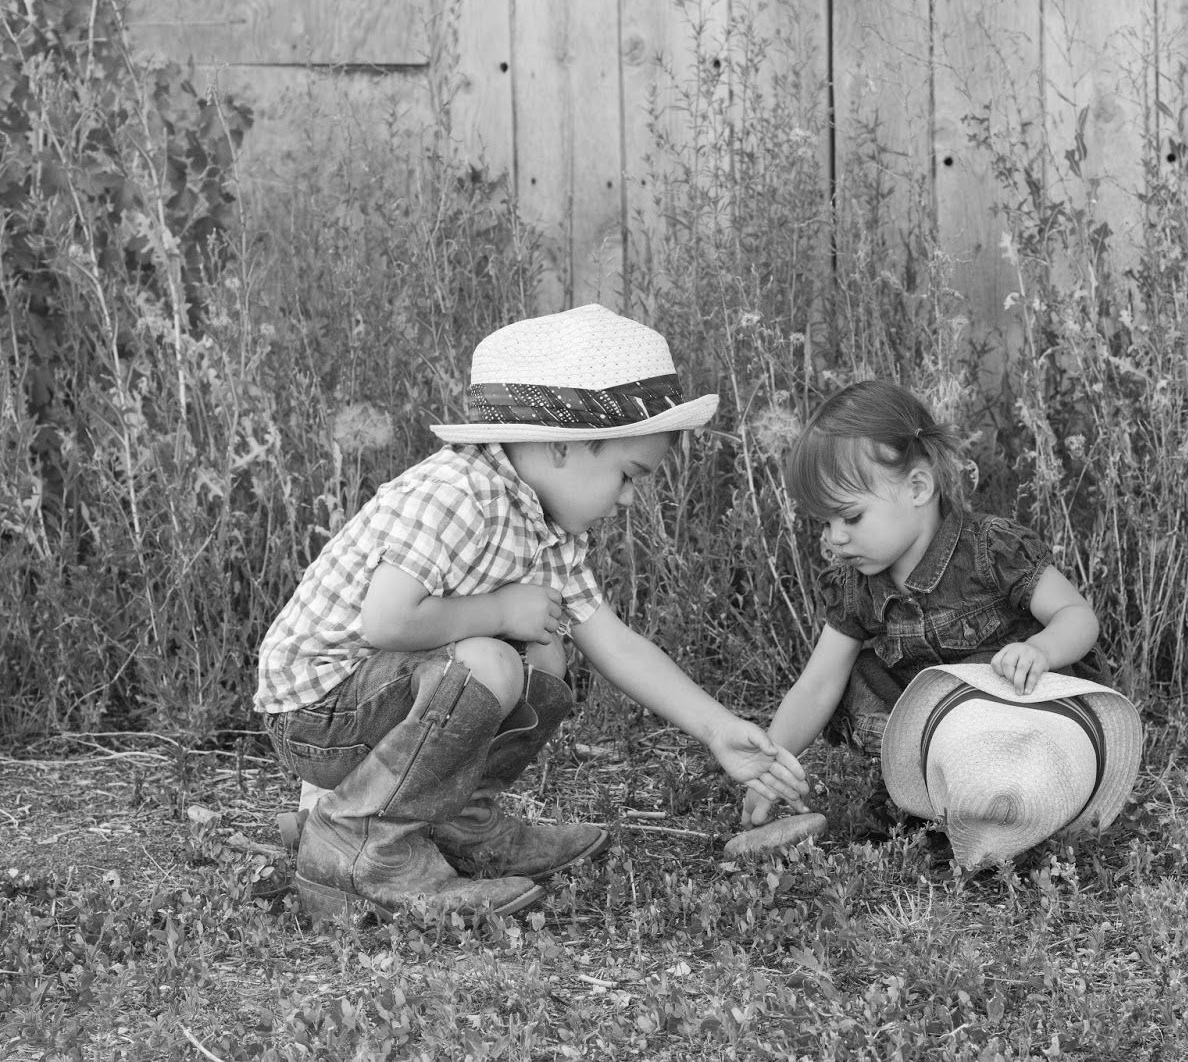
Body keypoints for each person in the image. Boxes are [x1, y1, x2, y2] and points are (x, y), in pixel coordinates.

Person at [256, 304, 808, 921]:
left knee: (545, 652)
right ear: (561, 446)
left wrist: (717, 729)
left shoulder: (545, 528)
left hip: (381, 706)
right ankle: (361, 842)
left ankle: (455, 823)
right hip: (319, 712)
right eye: (628, 476)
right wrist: (498, 608)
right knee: (491, 660)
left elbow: (616, 645)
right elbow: (386, 621)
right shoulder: (457, 493)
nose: (629, 498)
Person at [743, 378, 1101, 832]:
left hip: (1017, 720)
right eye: (826, 523)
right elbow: (816, 686)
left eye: (851, 516)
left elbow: (1077, 615)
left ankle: (1016, 801)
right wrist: (770, 766)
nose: (835, 537)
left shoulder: (991, 550)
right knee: (856, 674)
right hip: (934, 737)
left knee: (1001, 702)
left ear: (917, 488)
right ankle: (919, 790)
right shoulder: (855, 586)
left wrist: (1042, 650)